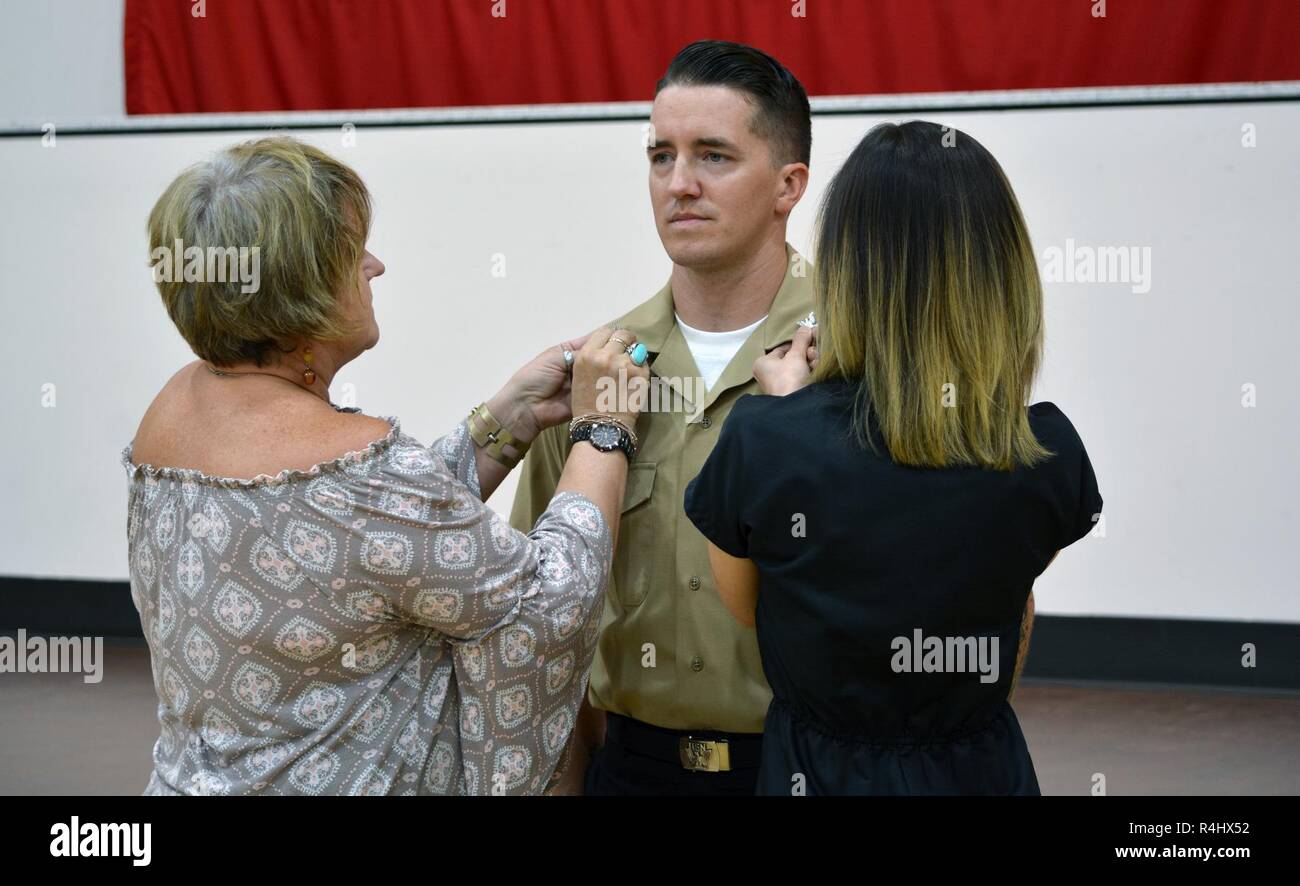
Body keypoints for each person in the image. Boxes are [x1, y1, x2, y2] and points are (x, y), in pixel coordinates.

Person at [122, 135, 649, 795]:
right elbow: (543, 604)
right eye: (351, 252)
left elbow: (358, 552)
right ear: (301, 287)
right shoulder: (359, 469)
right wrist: (604, 424)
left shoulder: (174, 408)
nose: (375, 266)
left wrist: (506, 418)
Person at [684, 121, 1103, 795]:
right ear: (1004, 272)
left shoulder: (763, 442)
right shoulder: (1047, 452)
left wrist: (787, 411)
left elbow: (751, 608)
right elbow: (1006, 606)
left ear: (849, 272)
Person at [510, 40, 815, 795]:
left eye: (713, 156)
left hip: (812, 767)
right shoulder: (599, 372)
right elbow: (547, 624)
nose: (679, 184)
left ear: (787, 185)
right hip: (634, 772)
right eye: (660, 156)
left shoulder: (857, 367)